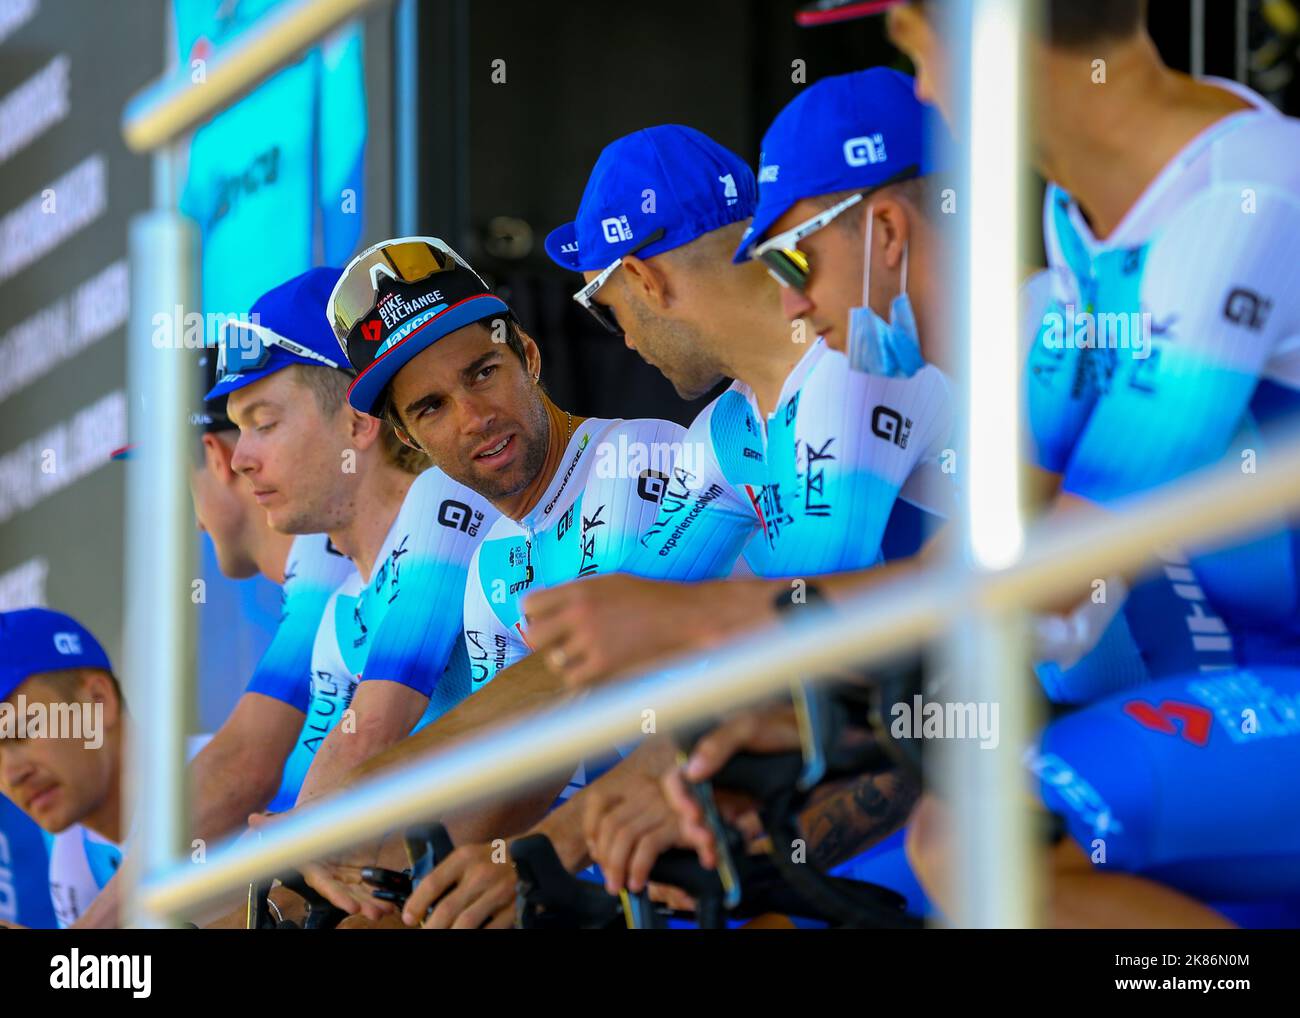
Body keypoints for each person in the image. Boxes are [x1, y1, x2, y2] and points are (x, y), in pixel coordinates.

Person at [527, 112, 950, 907]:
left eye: (606, 306)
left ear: (645, 280)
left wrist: (586, 822)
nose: (621, 341)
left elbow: (804, 635)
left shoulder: (851, 365)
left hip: (983, 751)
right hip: (905, 747)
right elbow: (602, 641)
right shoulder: (727, 427)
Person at [306, 235, 689, 926]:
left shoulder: (637, 457)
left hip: (738, 839)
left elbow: (582, 680)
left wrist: (358, 803)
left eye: (483, 372)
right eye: (431, 407)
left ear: (529, 356)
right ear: (408, 437)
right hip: (625, 865)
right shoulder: (491, 566)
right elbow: (522, 777)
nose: (473, 417)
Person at [211, 266, 499, 813]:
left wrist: (290, 856)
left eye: (264, 424)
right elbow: (306, 796)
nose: (241, 459)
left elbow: (369, 734)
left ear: (359, 422)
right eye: (238, 428)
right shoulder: (340, 607)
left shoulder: (444, 496)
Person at [0, 609, 125, 928]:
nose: (11, 775)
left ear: (98, 701)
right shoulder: (70, 848)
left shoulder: (259, 795)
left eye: (22, 730)